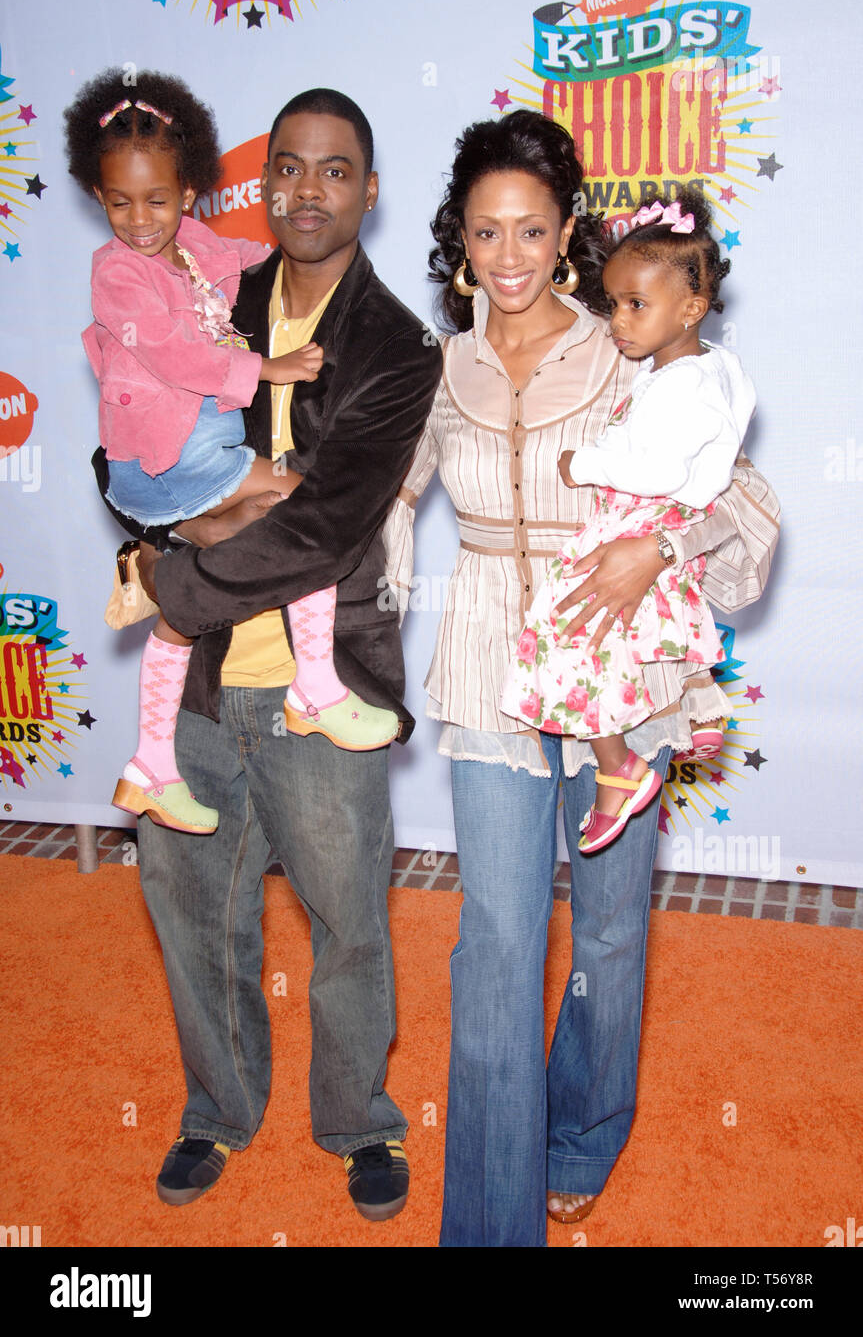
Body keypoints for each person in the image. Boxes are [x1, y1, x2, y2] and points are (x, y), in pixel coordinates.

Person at [383, 110, 778, 1246]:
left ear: (565, 236)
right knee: (498, 943)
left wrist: (656, 546)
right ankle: (489, 1225)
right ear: (458, 241)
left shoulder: (628, 343)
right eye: (483, 233)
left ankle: (581, 1138)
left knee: (605, 933)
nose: (506, 257)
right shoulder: (440, 364)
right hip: (494, 678)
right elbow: (382, 496)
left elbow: (738, 501)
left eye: (529, 232)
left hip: (621, 668)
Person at [91, 88, 442, 1220]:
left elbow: (324, 526)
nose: (305, 189)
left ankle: (356, 1122)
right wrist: (171, 527)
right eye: (287, 167)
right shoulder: (204, 289)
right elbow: (119, 448)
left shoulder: (393, 344)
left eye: (334, 170)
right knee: (193, 910)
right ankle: (215, 1109)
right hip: (195, 690)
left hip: (319, 680)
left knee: (346, 921)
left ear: (368, 191)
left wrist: (167, 583)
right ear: (262, 183)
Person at [67, 70, 398, 840]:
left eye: (157, 200)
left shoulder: (190, 244)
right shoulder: (116, 273)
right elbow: (178, 357)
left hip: (190, 455)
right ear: (97, 197)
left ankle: (152, 758)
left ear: (189, 194)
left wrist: (291, 260)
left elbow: (246, 260)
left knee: (199, 594)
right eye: (120, 203)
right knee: (295, 506)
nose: (140, 220)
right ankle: (313, 685)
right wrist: (267, 368)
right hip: (167, 462)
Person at [500, 186, 755, 854]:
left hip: (639, 516)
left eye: (636, 305)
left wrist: (580, 464)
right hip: (664, 520)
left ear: (692, 308)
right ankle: (701, 698)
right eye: (614, 302)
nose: (618, 320)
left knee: (568, 627)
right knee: (647, 620)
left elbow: (654, 469)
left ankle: (616, 767)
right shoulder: (709, 369)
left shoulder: (681, 387)